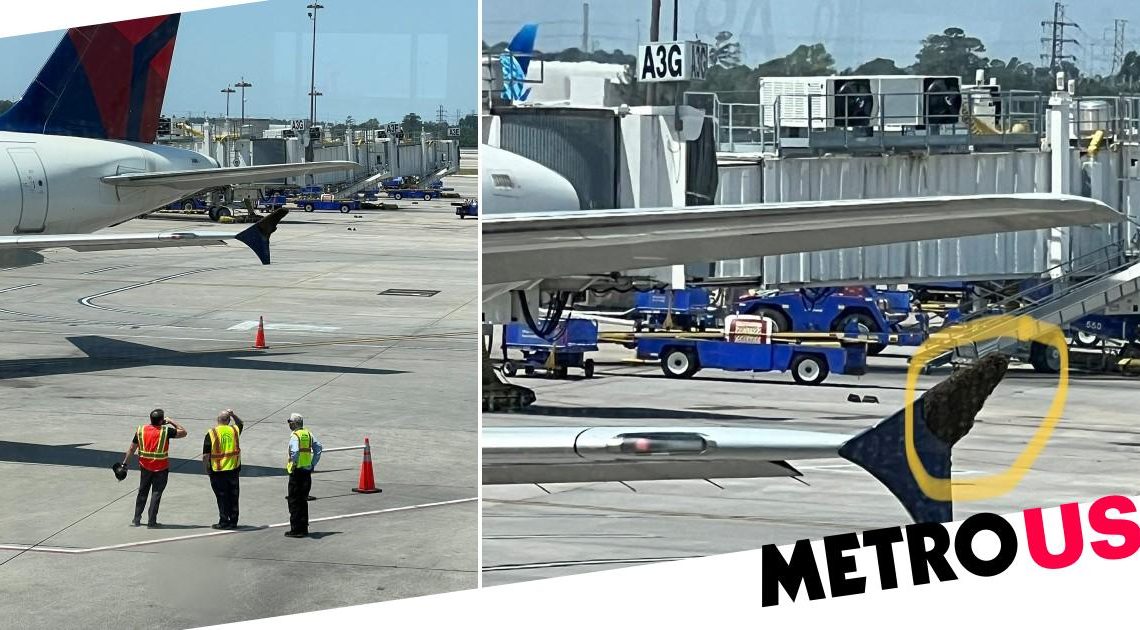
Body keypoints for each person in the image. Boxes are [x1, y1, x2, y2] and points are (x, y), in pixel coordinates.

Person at [121, 409, 187, 528]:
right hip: (161, 468)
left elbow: (132, 449)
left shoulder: (141, 430)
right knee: (156, 494)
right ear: (161, 420)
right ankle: (152, 521)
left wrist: (124, 464)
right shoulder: (166, 431)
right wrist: (171, 421)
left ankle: (136, 519)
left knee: (142, 492)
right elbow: (183, 432)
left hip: (145, 467)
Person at [202, 409, 243, 529]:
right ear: (229, 420)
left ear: (217, 420)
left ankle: (224, 521)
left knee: (222, 496)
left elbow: (206, 455)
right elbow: (241, 423)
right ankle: (233, 521)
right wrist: (233, 414)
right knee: (234, 496)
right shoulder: (234, 430)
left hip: (218, 470)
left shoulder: (212, 433)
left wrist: (206, 468)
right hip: (233, 468)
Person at [284, 413, 322, 538]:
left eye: (290, 421)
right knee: (303, 501)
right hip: (306, 472)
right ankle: (304, 528)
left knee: (294, 501)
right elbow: (318, 448)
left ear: (294, 423)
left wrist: (294, 464)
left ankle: (296, 529)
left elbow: (294, 452)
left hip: (297, 473)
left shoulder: (295, 436)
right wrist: (312, 464)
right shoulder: (308, 434)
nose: (289, 423)